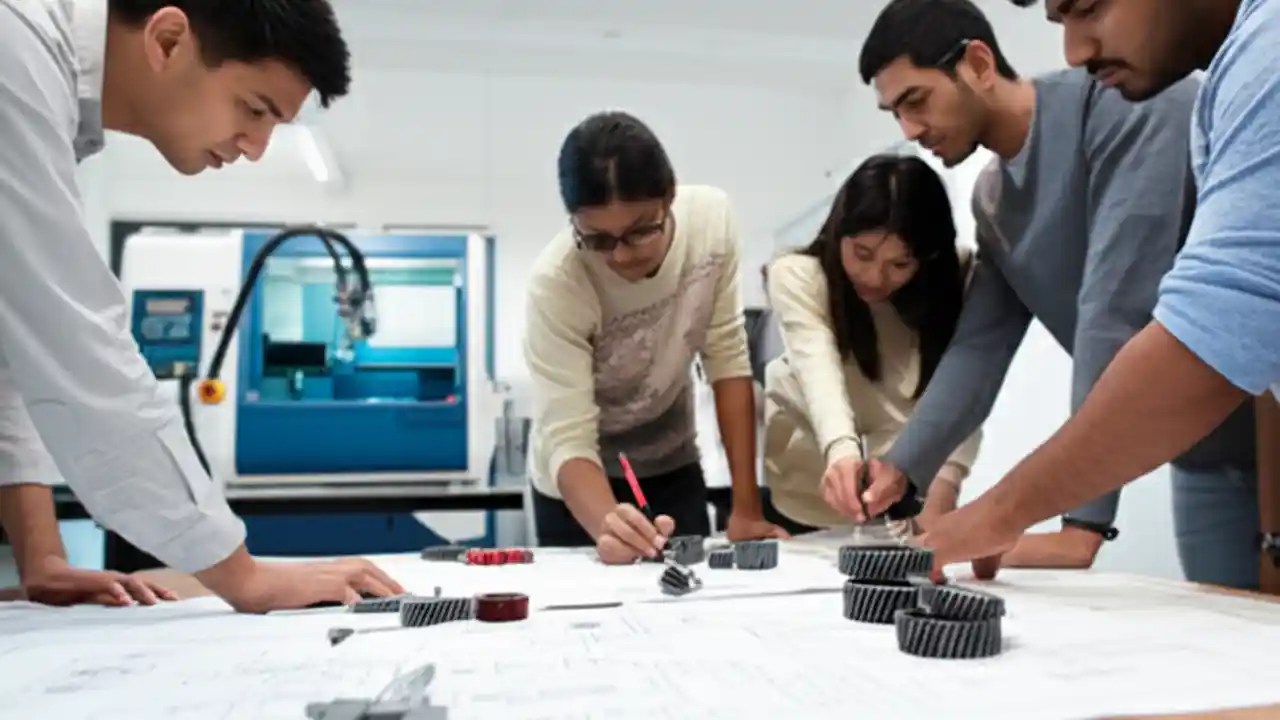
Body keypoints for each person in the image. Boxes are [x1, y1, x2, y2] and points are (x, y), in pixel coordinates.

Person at [0, 0, 404, 611]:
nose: (257, 147)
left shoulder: (43, 90)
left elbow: (14, 338)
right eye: (254, 108)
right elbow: (75, 346)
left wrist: (42, 556)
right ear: (167, 40)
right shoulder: (14, 55)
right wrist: (244, 577)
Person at [854, 0, 1258, 586]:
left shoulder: (1131, 103)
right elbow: (978, 349)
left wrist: (1083, 524)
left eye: (916, 101)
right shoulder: (992, 200)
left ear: (978, 63)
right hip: (1197, 454)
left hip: (1260, 420)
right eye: (895, 113)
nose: (909, 131)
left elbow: (1113, 311)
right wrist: (901, 468)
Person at [524, 110, 787, 564]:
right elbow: (568, 437)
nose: (621, 257)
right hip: (578, 482)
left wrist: (746, 508)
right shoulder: (558, 283)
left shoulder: (710, 222)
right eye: (599, 240)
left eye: (640, 231)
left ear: (670, 197)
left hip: (671, 463)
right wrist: (609, 526)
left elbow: (727, 360)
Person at [760, 155, 982, 539]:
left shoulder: (958, 281)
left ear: (928, 259)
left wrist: (945, 487)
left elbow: (964, 392)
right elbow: (818, 372)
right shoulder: (799, 276)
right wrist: (842, 452)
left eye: (900, 264)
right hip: (805, 493)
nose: (875, 277)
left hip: (902, 497)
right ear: (838, 230)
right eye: (862, 254)